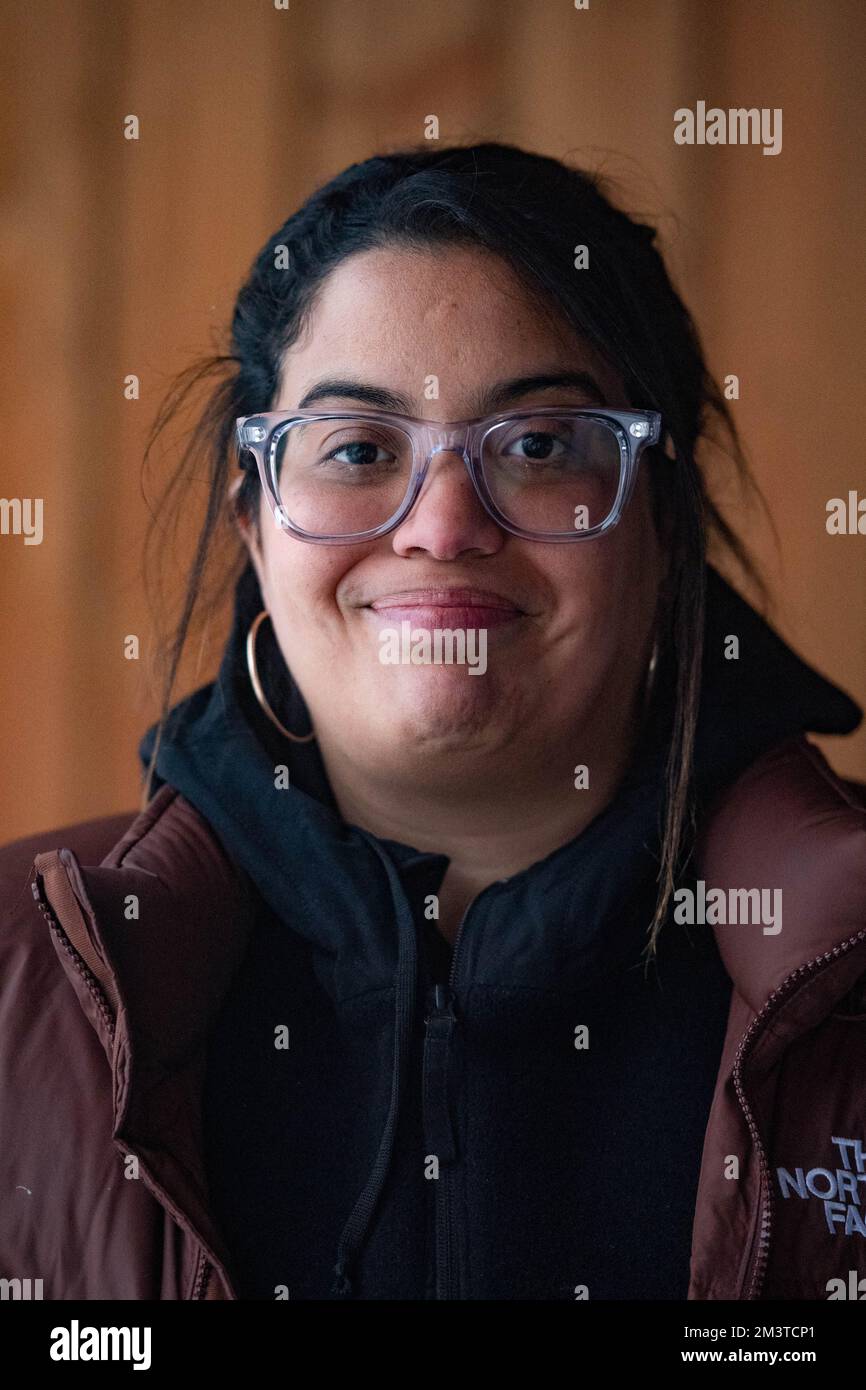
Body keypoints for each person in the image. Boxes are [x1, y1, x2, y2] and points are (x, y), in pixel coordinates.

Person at [2, 143, 865, 1303]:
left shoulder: (838, 969)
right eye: (358, 449)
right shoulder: (18, 978)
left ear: (659, 525)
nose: (443, 525)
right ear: (257, 525)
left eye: (539, 444)